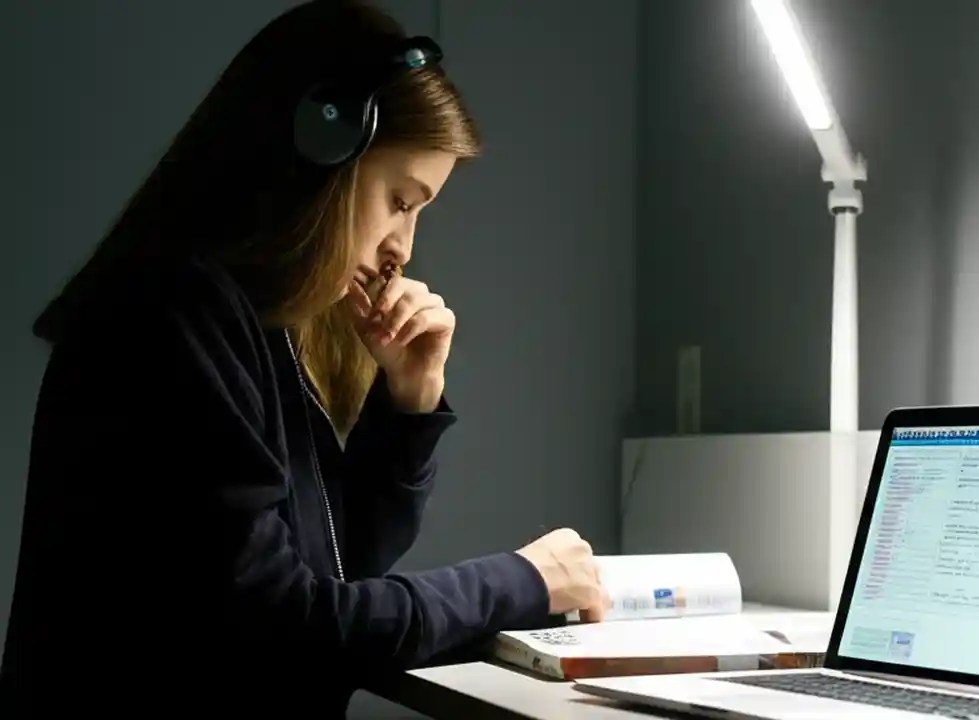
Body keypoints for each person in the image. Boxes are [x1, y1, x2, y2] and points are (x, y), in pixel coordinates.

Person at [0, 1, 607, 716]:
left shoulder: (254, 322)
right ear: (322, 151)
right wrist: (520, 581)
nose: (403, 249)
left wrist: (406, 408)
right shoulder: (168, 317)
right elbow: (289, 627)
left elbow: (335, 570)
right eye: (399, 201)